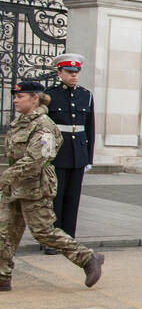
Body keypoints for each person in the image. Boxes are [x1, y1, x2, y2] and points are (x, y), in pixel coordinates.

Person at [0, 80, 104, 291]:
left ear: (34, 98)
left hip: (35, 188)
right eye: (15, 96)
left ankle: (88, 258)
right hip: (15, 187)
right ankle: (3, 275)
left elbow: (35, 160)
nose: (16, 100)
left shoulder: (44, 126)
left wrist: (5, 177)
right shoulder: (20, 122)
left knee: (43, 232)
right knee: (5, 231)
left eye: (20, 96)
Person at [44, 53, 94, 252]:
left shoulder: (86, 95)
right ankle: (53, 239)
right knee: (56, 196)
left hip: (78, 153)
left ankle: (69, 238)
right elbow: (45, 129)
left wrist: (88, 157)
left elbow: (89, 127)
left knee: (73, 197)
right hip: (58, 152)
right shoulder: (49, 96)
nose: (74, 76)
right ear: (59, 73)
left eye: (76, 72)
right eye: (69, 72)